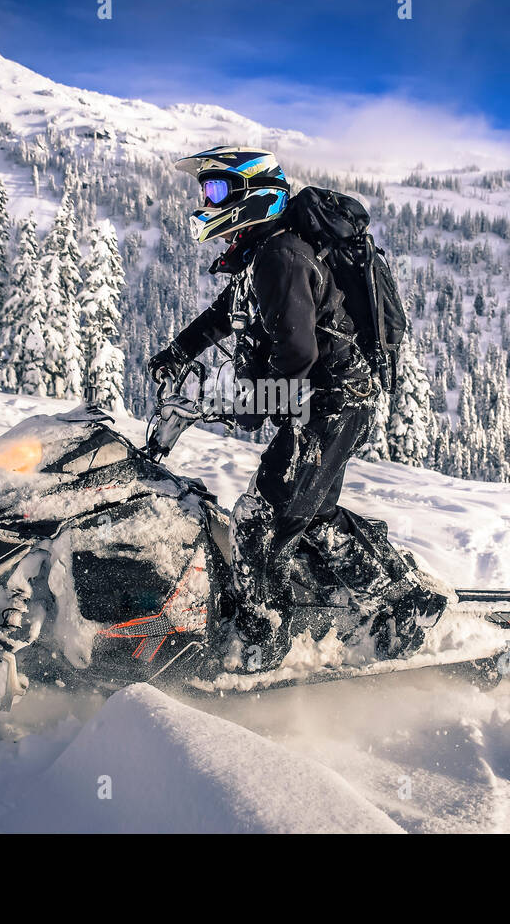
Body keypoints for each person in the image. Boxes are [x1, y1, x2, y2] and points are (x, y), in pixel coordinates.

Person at [149, 147, 383, 671]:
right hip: (329, 405)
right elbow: (226, 312)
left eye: (215, 190)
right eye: (204, 191)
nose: (206, 202)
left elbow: (298, 353)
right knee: (310, 517)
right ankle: (391, 597)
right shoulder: (262, 253)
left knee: (260, 520)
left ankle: (260, 648)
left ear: (253, 193)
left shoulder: (281, 256)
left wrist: (256, 402)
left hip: (333, 406)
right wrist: (181, 350)